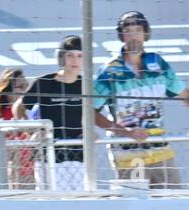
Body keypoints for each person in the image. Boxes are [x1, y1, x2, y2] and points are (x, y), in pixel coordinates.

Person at [94, 10, 189, 188]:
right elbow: (90, 112)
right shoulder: (109, 71)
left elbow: (185, 95)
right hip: (127, 152)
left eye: (138, 30)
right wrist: (126, 132)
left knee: (173, 202)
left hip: (160, 150)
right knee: (133, 207)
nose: (134, 36)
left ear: (146, 34)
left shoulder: (158, 63)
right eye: (128, 31)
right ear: (121, 36)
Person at [16, 36, 86, 190]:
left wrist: (88, 131)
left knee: (80, 198)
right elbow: (19, 106)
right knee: (50, 198)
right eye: (70, 55)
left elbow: (92, 112)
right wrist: (31, 129)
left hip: (76, 152)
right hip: (48, 154)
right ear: (61, 58)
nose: (75, 60)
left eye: (79, 56)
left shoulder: (85, 85)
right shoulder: (44, 83)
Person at [0, 67, 34, 188]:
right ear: (8, 92)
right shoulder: (2, 117)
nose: (26, 90)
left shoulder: (32, 110)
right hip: (17, 175)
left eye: (27, 86)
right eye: (21, 87)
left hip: (36, 169)